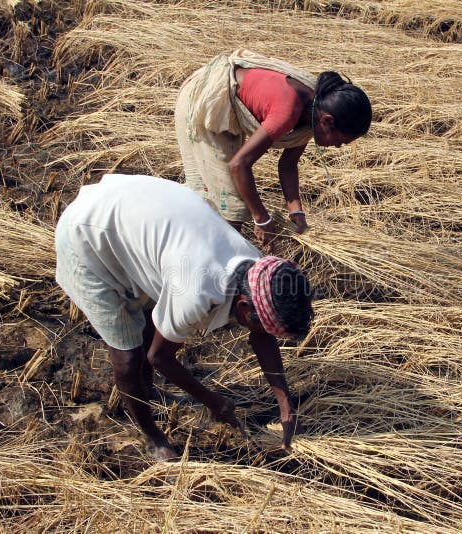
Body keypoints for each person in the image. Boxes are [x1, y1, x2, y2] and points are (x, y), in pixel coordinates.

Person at [55, 173, 314, 460]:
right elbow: (160, 356)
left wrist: (285, 405)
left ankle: (148, 389)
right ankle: (153, 437)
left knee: (147, 327)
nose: (262, 332)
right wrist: (211, 400)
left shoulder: (258, 269)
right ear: (243, 307)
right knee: (129, 357)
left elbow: (261, 334)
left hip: (132, 215)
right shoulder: (197, 290)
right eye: (261, 325)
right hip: (87, 234)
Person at [175, 49, 372, 246]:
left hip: (226, 105)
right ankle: (217, 258)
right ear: (328, 121)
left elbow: (288, 163)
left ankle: (204, 242)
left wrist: (296, 210)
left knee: (221, 197)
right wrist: (261, 217)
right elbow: (239, 165)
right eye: (341, 141)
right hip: (206, 99)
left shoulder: (315, 108)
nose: (337, 146)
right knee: (232, 205)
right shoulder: (288, 111)